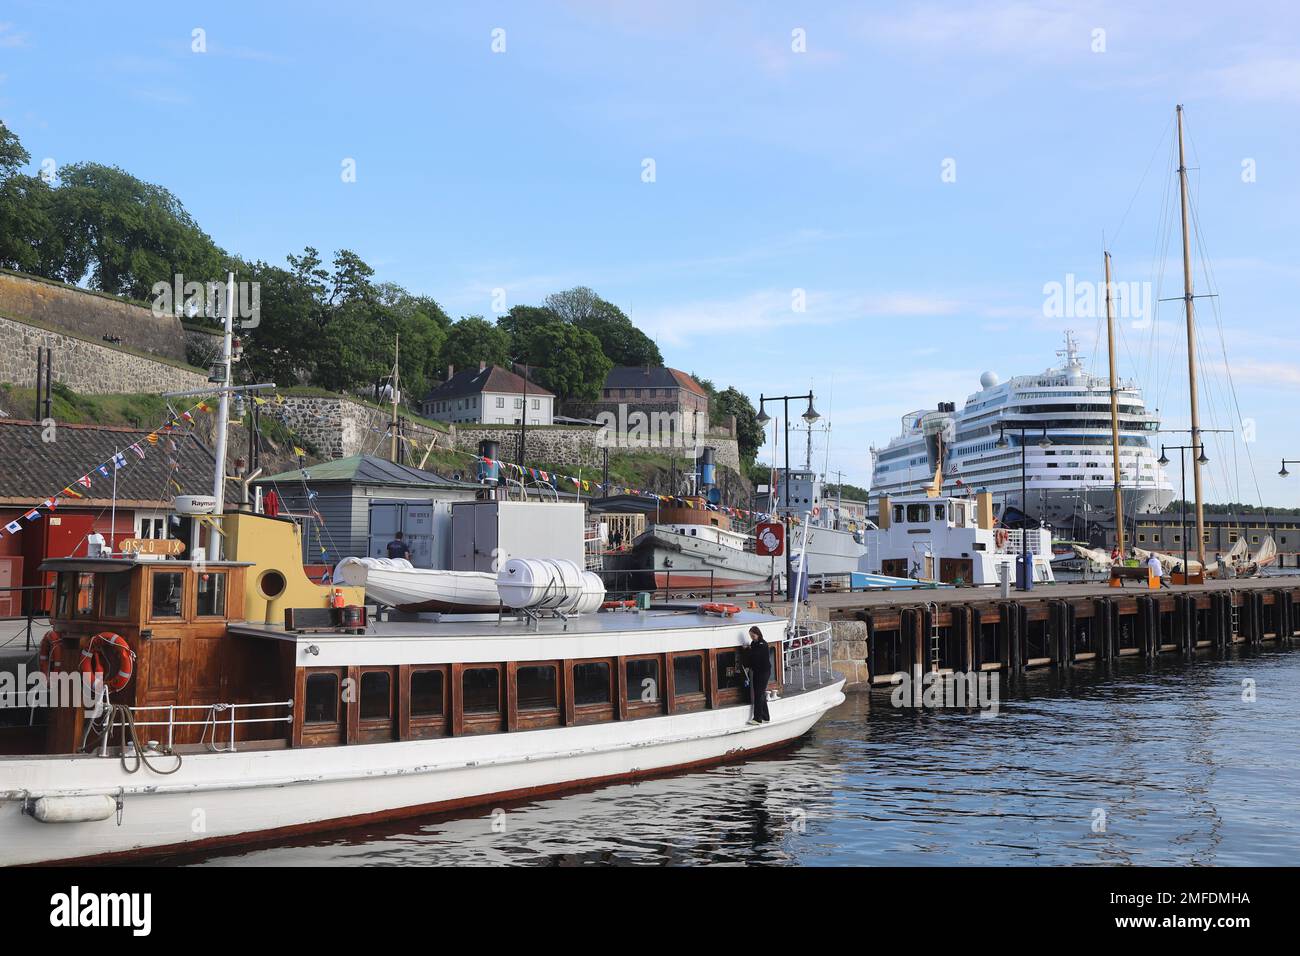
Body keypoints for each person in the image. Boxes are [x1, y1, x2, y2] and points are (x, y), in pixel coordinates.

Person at [745, 626, 771, 725]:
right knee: (760, 694)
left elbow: (756, 656)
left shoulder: (763, 644)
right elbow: (752, 657)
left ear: (758, 634)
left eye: (753, 635)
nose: (752, 637)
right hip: (757, 671)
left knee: (758, 694)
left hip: (763, 672)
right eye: (750, 636)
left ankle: (757, 719)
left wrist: (748, 650)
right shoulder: (753, 643)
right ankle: (766, 717)